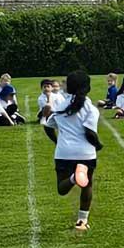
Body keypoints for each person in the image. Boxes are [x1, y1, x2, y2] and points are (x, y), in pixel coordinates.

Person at [43, 70, 101, 232]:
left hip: (64, 153)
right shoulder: (90, 108)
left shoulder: (60, 106)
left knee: (62, 189)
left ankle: (74, 178)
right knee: (87, 185)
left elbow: (48, 126)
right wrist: (98, 145)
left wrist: (57, 141)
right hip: (86, 153)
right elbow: (90, 133)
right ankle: (82, 221)